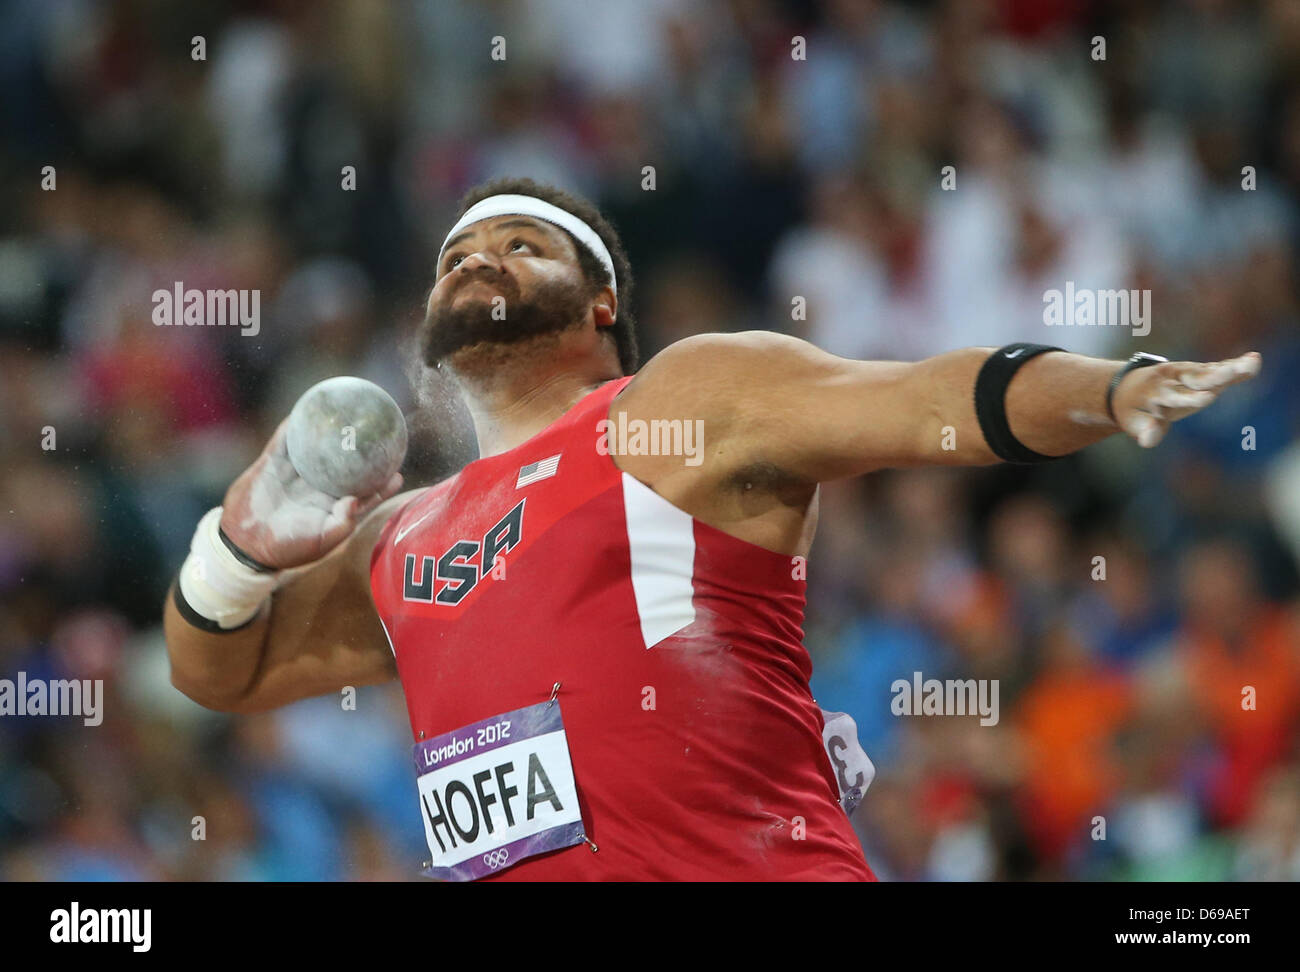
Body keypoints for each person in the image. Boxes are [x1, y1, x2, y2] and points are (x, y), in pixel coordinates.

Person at [163, 177, 1261, 881]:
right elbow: (220, 672)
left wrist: (1108, 392)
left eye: (519, 243)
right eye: (457, 251)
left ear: (602, 306)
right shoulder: (402, 536)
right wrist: (238, 551)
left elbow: (929, 397)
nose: (478, 257)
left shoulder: (671, 409)